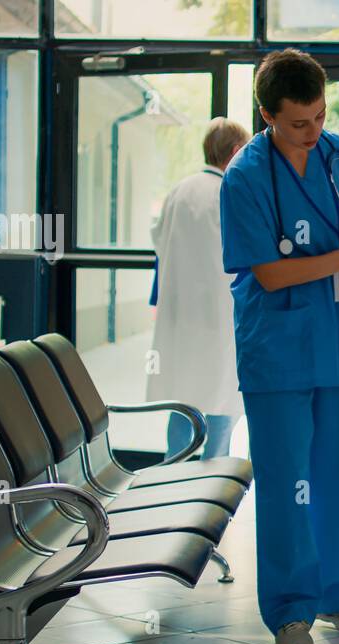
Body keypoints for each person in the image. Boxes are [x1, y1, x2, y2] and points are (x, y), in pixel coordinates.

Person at [219, 49, 339, 644]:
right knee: (288, 482)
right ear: (267, 114)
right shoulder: (245, 176)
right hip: (280, 350)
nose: (313, 131)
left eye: (320, 115)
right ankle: (291, 611)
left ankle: (337, 592)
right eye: (298, 122)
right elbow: (269, 273)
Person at [148, 117, 249, 460]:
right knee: (222, 401)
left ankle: (171, 480)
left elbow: (160, 244)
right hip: (220, 317)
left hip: (181, 316)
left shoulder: (179, 191)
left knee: (182, 402)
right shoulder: (231, 191)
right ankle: (211, 482)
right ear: (236, 151)